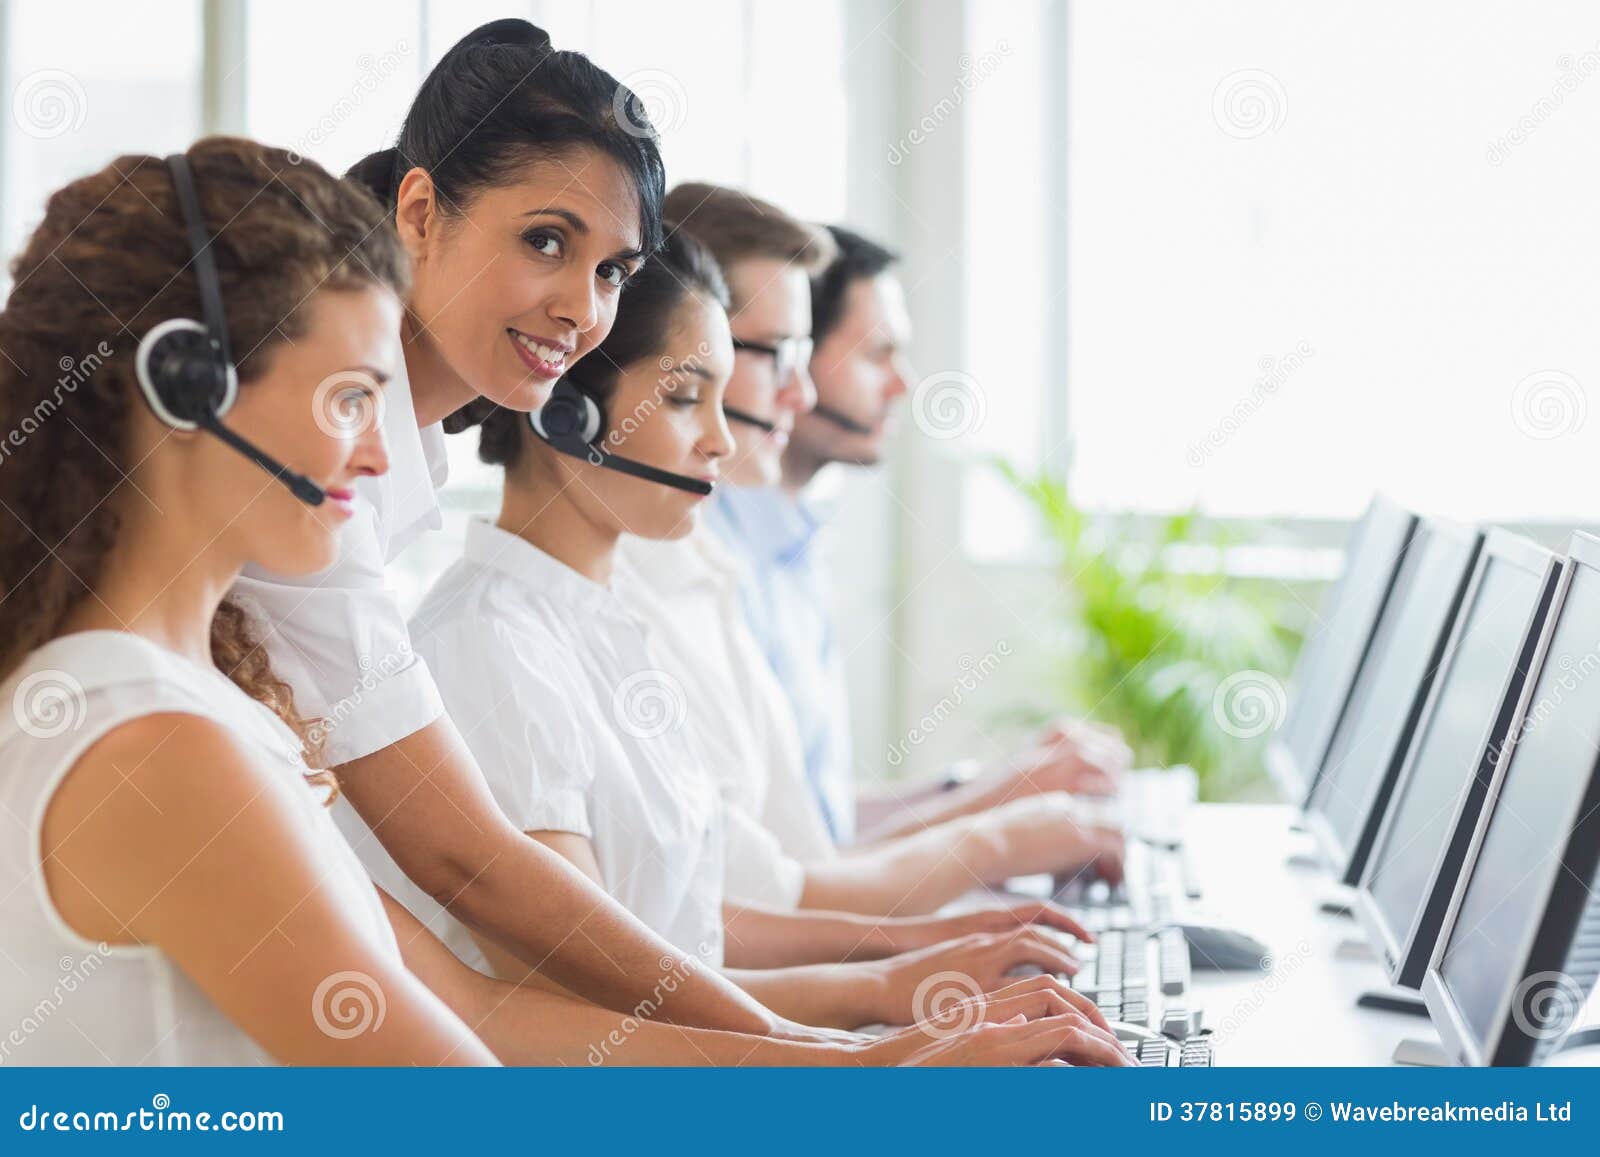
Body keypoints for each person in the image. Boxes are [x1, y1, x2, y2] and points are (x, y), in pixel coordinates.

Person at [0, 137, 1123, 1070]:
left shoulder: (206, 693)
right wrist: (872, 1075)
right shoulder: (151, 738)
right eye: (351, 398)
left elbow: (479, 1012)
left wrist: (867, 1060)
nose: (381, 459)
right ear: (180, 385)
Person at [407, 227, 1127, 1062]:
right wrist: (870, 1059)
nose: (720, 438)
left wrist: (902, 981)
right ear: (566, 411)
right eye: (684, 398)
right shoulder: (492, 645)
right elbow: (587, 1017)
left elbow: (687, 945)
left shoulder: (607, 627)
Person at [225, 18, 801, 1038]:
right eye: (546, 241)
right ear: (418, 211)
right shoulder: (316, 454)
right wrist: (820, 1054)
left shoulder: (416, 450)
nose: (580, 311)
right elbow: (468, 858)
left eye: (615, 272)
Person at [615, 185, 1124, 909]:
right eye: (875, 352)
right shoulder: (670, 566)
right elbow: (772, 886)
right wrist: (1000, 821)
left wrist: (985, 795)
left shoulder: (762, 555)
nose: (902, 384)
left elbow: (802, 835)